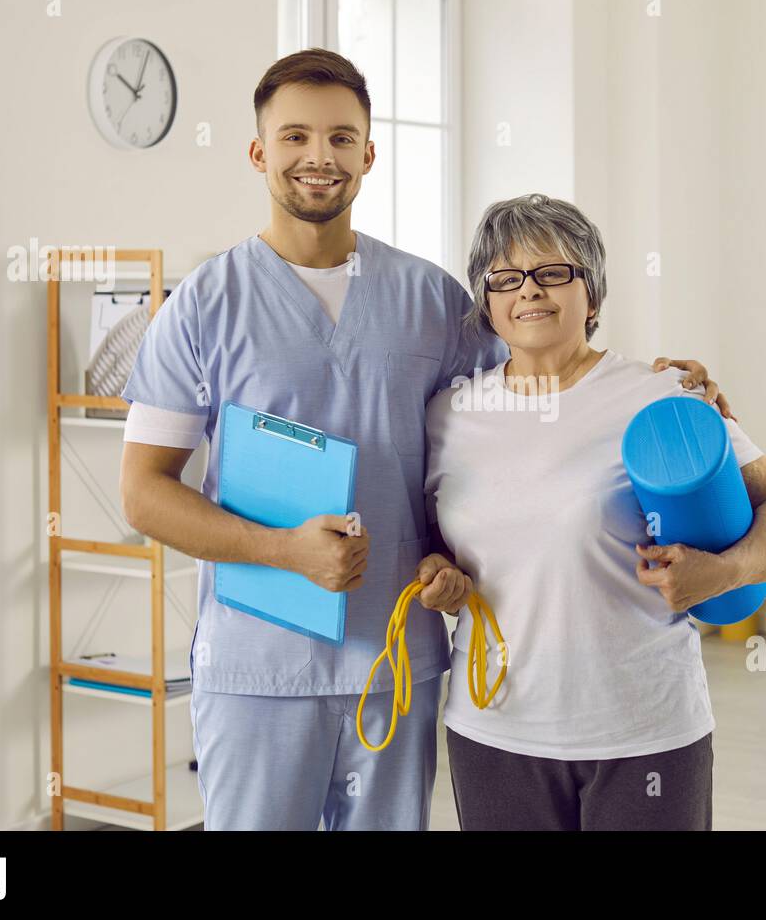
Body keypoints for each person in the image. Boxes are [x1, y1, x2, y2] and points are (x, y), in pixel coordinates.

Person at [118, 50, 730, 830]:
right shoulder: (203, 304)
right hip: (258, 671)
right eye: (295, 136)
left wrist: (678, 403)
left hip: (398, 662)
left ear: (368, 154)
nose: (319, 157)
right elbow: (143, 493)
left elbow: (529, 402)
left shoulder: (432, 301)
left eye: (342, 138)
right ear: (258, 152)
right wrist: (282, 551)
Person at [423, 194, 766, 830]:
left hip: (644, 734)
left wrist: (722, 573)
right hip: (493, 730)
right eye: (506, 278)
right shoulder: (448, 416)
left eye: (553, 272)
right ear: (488, 302)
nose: (530, 290)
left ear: (593, 293)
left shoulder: (663, 395)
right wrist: (438, 575)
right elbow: (436, 542)